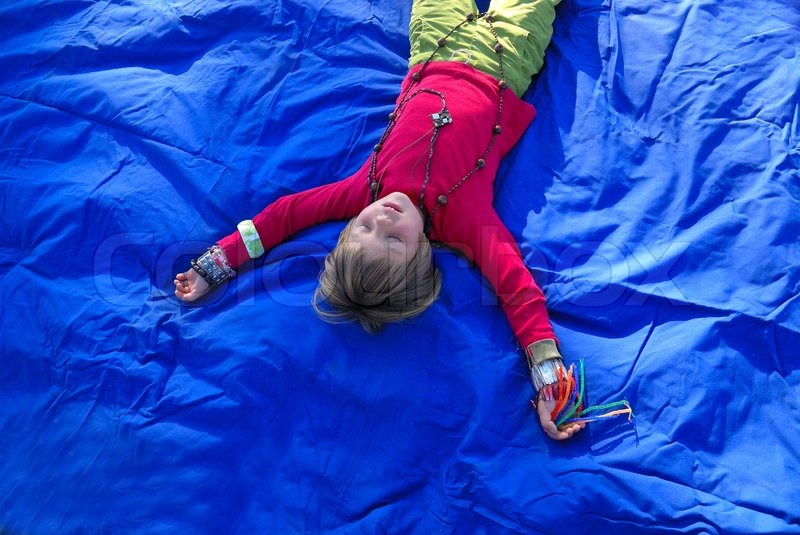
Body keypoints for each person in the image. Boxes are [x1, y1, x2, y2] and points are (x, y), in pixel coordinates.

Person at [174, 0, 585, 441]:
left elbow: (282, 218)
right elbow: (516, 290)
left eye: (364, 229)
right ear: (422, 256)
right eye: (393, 239)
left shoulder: (362, 192)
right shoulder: (465, 221)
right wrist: (550, 382)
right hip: (507, 61)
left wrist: (216, 265)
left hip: (435, 45)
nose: (382, 219)